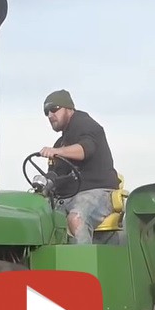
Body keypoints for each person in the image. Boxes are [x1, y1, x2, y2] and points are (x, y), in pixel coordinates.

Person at [38, 89, 120, 244]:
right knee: (40, 218)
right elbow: (55, 177)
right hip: (68, 196)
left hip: (97, 191)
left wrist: (56, 152)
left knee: (76, 218)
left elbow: (85, 150)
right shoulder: (60, 142)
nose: (50, 115)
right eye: (46, 112)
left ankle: (83, 265)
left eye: (54, 109)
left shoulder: (85, 124)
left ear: (69, 109)